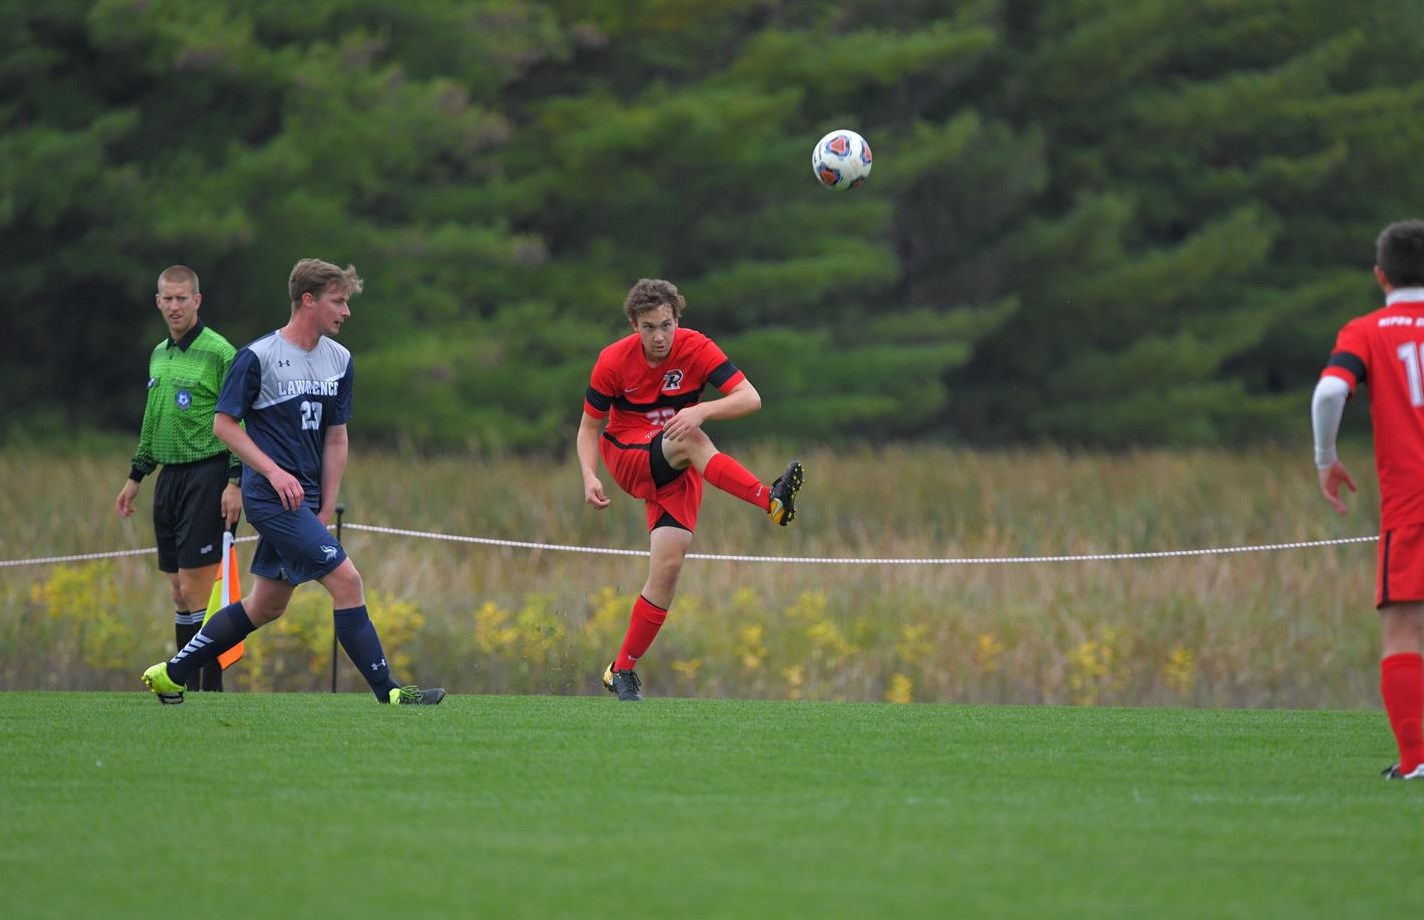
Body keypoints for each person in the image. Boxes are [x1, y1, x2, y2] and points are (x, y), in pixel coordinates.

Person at [141, 258, 445, 705]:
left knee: (266, 605)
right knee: (348, 582)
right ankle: (393, 693)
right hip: (269, 498)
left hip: (306, 501)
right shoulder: (257, 357)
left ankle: (172, 673)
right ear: (308, 301)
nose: (346, 312)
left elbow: (337, 438)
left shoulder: (340, 360)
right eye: (338, 302)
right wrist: (272, 471)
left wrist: (326, 507)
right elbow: (224, 426)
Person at [577, 277, 804, 701]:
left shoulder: (697, 347)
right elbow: (589, 428)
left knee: (666, 570)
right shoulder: (611, 361)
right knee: (690, 438)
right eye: (649, 327)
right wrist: (590, 475)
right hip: (628, 456)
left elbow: (750, 398)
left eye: (666, 325)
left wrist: (701, 409)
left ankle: (620, 670)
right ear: (633, 326)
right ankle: (768, 499)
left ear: (677, 319)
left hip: (675, 469)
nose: (659, 336)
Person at [1314, 218, 1424, 779]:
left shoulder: (1368, 330)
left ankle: (1416, 761)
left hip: (1413, 507)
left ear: (1381, 275)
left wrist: (1325, 459)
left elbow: (1333, 388)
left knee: (1404, 632)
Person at [116, 265, 243, 693]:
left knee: (198, 590)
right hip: (168, 478)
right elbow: (152, 420)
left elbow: (240, 421)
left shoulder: (220, 352)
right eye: (167, 299)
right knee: (178, 591)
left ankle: (205, 684)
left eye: (181, 299)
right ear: (158, 302)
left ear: (197, 301)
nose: (174, 306)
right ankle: (184, 682)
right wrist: (136, 476)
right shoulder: (158, 354)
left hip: (207, 475)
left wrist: (235, 482)